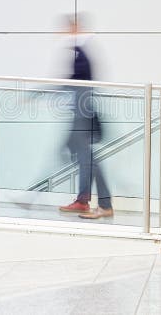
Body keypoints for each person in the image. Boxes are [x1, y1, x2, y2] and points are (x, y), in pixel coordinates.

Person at [58, 15, 112, 219]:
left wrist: (41, 91)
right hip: (80, 112)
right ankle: (84, 200)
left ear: (75, 29)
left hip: (82, 114)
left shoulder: (81, 53)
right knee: (83, 157)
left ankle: (101, 203)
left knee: (87, 159)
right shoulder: (79, 51)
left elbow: (77, 81)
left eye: (68, 30)